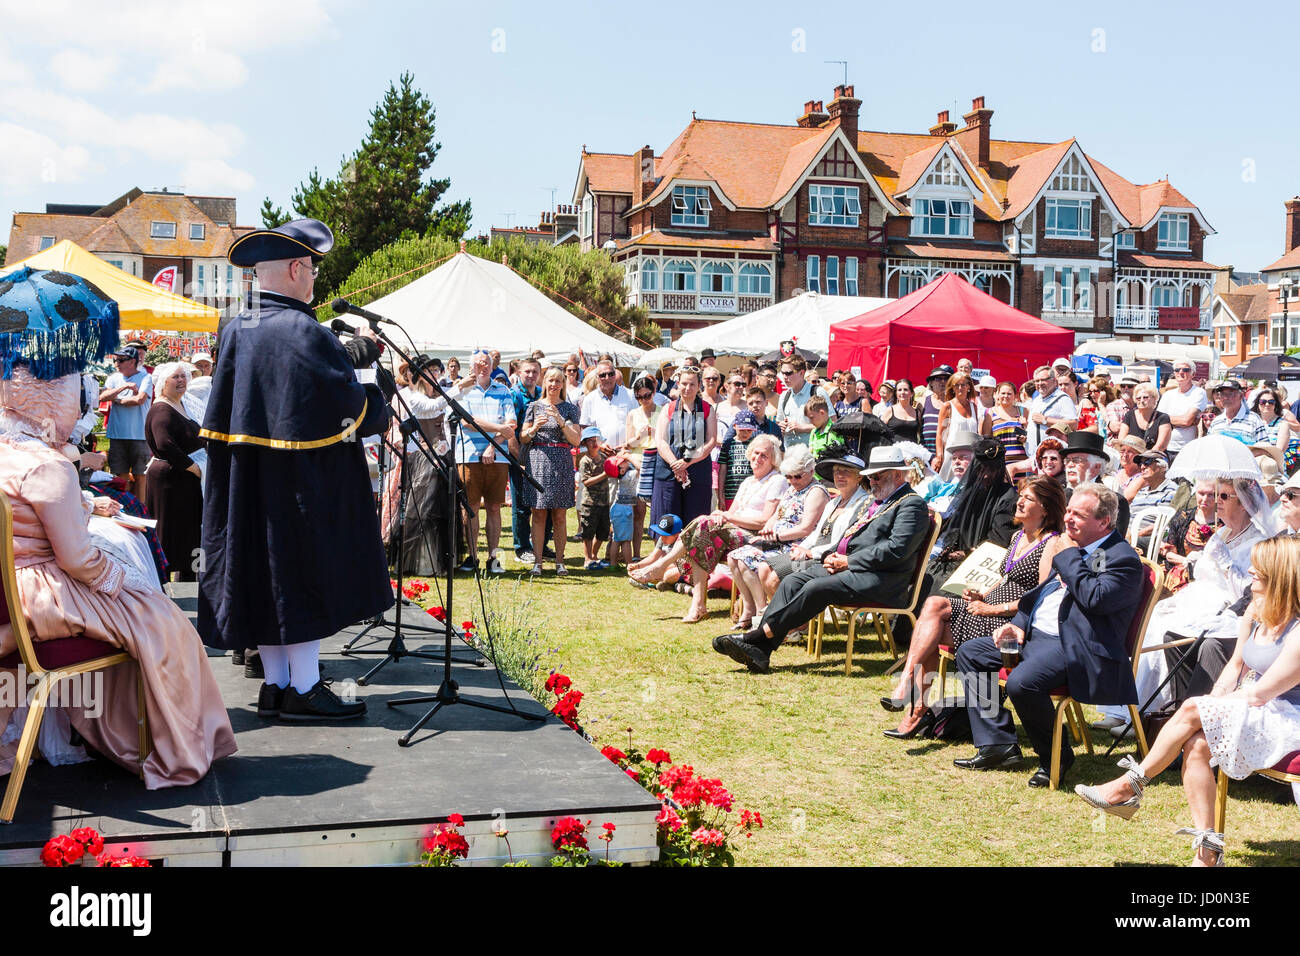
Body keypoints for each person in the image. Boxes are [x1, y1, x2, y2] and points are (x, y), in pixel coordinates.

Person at [0, 364, 237, 784]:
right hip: (43, 595)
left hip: (12, 593)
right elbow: (76, 559)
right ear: (55, 401)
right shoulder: (45, 465)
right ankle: (172, 746)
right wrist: (118, 579)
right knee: (165, 623)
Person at [201, 218, 391, 719]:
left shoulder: (234, 324)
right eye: (310, 270)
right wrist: (380, 393)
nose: (313, 281)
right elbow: (350, 410)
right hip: (299, 485)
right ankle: (304, 689)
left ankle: (277, 686)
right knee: (298, 575)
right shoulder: (303, 331)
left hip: (248, 482)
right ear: (293, 268)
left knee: (263, 578)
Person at [1075, 535, 1300, 866]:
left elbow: (1261, 692)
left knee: (1195, 708)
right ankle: (1208, 854)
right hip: (1251, 706)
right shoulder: (1256, 611)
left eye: (1259, 567)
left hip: (1285, 718)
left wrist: (1209, 708)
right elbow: (1235, 665)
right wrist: (1215, 700)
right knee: (1195, 744)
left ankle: (1127, 787)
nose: (1250, 570)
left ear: (1279, 575)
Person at [953, 483, 1144, 787]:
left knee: (1022, 683)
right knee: (971, 653)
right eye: (1068, 511)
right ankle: (997, 743)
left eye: (1078, 515)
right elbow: (1043, 594)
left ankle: (1055, 755)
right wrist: (1019, 622)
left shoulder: (1119, 559)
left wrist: (1067, 557)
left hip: (1075, 645)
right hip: (1037, 635)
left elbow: (1093, 598)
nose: (1068, 519)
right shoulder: (1074, 546)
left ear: (1104, 522)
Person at [711, 445, 930, 673]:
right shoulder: (876, 502)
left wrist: (849, 561)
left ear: (897, 475)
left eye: (876, 477)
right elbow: (849, 537)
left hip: (882, 579)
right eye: (870, 477)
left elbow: (897, 549)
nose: (872, 482)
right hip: (853, 569)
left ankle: (757, 636)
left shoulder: (911, 504)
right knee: (793, 581)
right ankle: (761, 650)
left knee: (816, 587)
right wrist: (830, 554)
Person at [884, 476, 1067, 738]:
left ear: (1046, 508)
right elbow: (1006, 578)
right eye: (1021, 495)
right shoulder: (1017, 536)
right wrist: (982, 596)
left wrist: (993, 609)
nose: (1020, 501)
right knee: (935, 604)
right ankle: (908, 688)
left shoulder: (1051, 543)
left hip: (1010, 624)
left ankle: (915, 708)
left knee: (932, 633)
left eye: (1028, 498)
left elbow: (1040, 599)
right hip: (988, 609)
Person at [641, 435, 786, 623]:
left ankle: (662, 565)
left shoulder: (777, 481)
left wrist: (726, 517)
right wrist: (719, 515)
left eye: (764, 455)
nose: (757, 458)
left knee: (702, 523)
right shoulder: (748, 482)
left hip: (757, 537)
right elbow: (731, 514)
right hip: (733, 534)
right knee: (702, 538)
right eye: (755, 453)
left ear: (773, 459)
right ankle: (698, 605)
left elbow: (765, 521)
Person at [381, 356, 473, 577]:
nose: (435, 374)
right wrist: (460, 385)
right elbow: (433, 409)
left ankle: (438, 561)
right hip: (424, 458)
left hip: (443, 456)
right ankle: (418, 561)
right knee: (423, 511)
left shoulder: (439, 394)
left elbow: (451, 401)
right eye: (429, 371)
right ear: (420, 376)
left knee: (443, 510)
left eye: (436, 370)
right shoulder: (414, 398)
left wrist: (468, 384)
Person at [727, 447, 830, 627]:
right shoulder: (791, 489)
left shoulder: (816, 492)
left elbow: (805, 529)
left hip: (799, 547)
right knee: (735, 557)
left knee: (749, 559)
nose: (792, 481)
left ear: (811, 471)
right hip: (778, 542)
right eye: (788, 476)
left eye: (797, 476)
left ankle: (764, 615)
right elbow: (777, 515)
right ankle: (754, 608)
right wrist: (765, 532)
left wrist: (775, 537)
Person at [454, 350, 517, 574]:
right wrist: (499, 428)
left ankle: (493, 557)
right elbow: (467, 421)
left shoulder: (503, 390)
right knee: (470, 507)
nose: (483, 366)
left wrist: (493, 444)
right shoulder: (464, 389)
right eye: (479, 363)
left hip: (497, 456)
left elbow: (511, 424)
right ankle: (472, 556)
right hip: (468, 455)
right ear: (471, 367)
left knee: (493, 506)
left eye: (487, 363)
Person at [143, 362, 203, 583]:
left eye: (183, 376)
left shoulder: (180, 405)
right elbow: (165, 444)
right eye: (175, 377)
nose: (181, 381)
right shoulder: (161, 409)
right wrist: (193, 467)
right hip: (170, 480)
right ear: (163, 383)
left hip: (184, 481)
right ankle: (162, 583)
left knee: (187, 531)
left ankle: (188, 579)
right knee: (168, 532)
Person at [519, 367, 582, 575]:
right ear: (544, 383)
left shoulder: (570, 409)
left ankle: (560, 561)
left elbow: (575, 439)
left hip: (561, 461)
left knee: (560, 515)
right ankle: (538, 562)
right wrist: (534, 427)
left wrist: (561, 420)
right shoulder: (533, 407)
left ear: (563, 384)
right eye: (550, 380)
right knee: (538, 513)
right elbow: (523, 437)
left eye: (558, 381)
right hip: (537, 460)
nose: (554, 385)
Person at [652, 367, 717, 527]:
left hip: (698, 471)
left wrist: (687, 462)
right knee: (667, 522)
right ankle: (666, 551)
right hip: (669, 473)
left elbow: (711, 441)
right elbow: (660, 440)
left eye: (692, 384)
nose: (688, 388)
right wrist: (676, 464)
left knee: (695, 522)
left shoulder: (707, 409)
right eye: (684, 384)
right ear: (678, 384)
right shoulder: (668, 408)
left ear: (699, 385)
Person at [99, 345, 154, 501]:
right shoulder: (113, 378)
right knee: (121, 477)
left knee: (140, 476)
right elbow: (103, 397)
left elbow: (139, 399)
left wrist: (116, 400)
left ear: (133, 362)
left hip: (139, 435)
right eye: (116, 359)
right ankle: (125, 509)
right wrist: (123, 387)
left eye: (121, 360)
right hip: (117, 435)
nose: (117, 363)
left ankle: (141, 511)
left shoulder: (146, 377)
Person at [1063, 431, 1130, 536]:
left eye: (1077, 460)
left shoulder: (1116, 502)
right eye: (1067, 460)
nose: (1070, 465)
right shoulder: (1060, 496)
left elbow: (1111, 547)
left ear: (1096, 467)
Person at [510, 357, 544, 564]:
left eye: (534, 372)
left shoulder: (541, 394)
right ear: (519, 373)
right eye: (527, 372)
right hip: (520, 454)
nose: (531, 375)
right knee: (521, 504)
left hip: (542, 456)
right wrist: (518, 460)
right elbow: (510, 431)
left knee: (542, 502)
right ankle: (522, 547)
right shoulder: (514, 395)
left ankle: (541, 544)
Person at [624, 376, 662, 559]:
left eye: (647, 395)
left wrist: (656, 433)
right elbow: (628, 444)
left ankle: (658, 552)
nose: (644, 400)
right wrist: (639, 436)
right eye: (639, 397)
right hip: (638, 461)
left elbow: (668, 440)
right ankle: (636, 554)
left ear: (653, 392)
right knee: (638, 512)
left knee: (658, 511)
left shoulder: (663, 412)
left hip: (658, 460)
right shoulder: (633, 414)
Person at [1157, 479, 1217, 593]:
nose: (1205, 499)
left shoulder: (1224, 523)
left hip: (1209, 577)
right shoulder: (1183, 518)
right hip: (1180, 572)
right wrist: (1188, 563)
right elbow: (1170, 554)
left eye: (1211, 495)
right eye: (1201, 494)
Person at [934, 372, 992, 478]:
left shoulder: (974, 406)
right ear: (952, 388)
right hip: (953, 455)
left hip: (971, 456)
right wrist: (939, 455)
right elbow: (940, 434)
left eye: (963, 384)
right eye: (957, 385)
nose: (960, 388)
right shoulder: (947, 406)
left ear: (969, 387)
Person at [774, 356, 830, 450]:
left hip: (814, 453)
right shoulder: (784, 396)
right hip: (790, 453)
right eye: (782, 373)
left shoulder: (817, 392)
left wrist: (803, 428)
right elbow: (779, 421)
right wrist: (781, 426)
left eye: (788, 373)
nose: (784, 377)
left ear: (801, 372)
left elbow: (831, 423)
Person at [1158, 361, 1208, 463]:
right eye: (1177, 370)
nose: (1180, 372)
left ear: (1193, 374)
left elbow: (1186, 421)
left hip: (1187, 449)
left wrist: (1168, 421)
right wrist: (1181, 421)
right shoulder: (1168, 395)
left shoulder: (1198, 393)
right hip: (1165, 447)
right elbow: (1158, 420)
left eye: (1185, 370)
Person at [577, 426, 611, 570]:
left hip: (604, 501)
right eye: (590, 441)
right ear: (584, 443)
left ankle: (594, 555)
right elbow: (586, 482)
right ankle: (587, 559)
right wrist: (604, 475)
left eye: (596, 440)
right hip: (590, 503)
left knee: (603, 533)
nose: (594, 443)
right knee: (588, 532)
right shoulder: (585, 461)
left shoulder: (603, 457)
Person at [1026, 365, 1076, 459]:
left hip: (1053, 458)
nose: (1039, 383)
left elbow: (1073, 424)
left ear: (1054, 381)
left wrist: (1045, 420)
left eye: (1043, 380)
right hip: (1033, 456)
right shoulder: (1037, 400)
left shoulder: (1063, 399)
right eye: (1037, 381)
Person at [718, 409, 760, 509]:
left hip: (750, 494)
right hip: (730, 494)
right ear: (734, 426)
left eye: (749, 430)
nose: (745, 433)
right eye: (742, 429)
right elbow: (723, 470)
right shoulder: (728, 444)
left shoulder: (755, 444)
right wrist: (720, 495)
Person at [1208, 380, 1269, 447]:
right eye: (1222, 394)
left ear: (1241, 396)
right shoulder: (1216, 422)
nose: (1225, 398)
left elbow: (1265, 448)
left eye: (1230, 394)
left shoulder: (1253, 420)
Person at [1254, 386, 1299, 472]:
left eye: (1271, 402)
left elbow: (1279, 451)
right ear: (1258, 404)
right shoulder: (1253, 421)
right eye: (1263, 402)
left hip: (1273, 468)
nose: (1267, 404)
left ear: (1276, 404)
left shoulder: (1283, 424)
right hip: (1253, 466)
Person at [1119, 382, 1172, 452]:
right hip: (1131, 458)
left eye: (1145, 397)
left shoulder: (1163, 418)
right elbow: (1122, 440)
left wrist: (1145, 458)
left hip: (1154, 458)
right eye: (1138, 398)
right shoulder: (1129, 415)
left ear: (1154, 399)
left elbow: (1161, 446)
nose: (1141, 401)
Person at [608, 454, 639, 568]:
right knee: (626, 541)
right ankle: (629, 565)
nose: (626, 461)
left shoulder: (617, 476)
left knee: (616, 538)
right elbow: (640, 467)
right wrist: (630, 457)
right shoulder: (629, 475)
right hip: (625, 510)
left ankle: (612, 565)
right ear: (620, 470)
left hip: (616, 508)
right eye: (623, 462)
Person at [989, 380, 1028, 473]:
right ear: (997, 395)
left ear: (1015, 395)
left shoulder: (1024, 411)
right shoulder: (990, 413)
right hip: (1000, 463)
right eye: (1003, 393)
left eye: (1009, 394)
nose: (1006, 396)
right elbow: (987, 440)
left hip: (1022, 463)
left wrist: (1025, 431)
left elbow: (1031, 435)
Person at [920, 365, 954, 456]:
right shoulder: (923, 402)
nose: (942, 382)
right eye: (938, 379)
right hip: (926, 453)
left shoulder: (953, 403)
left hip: (948, 452)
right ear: (931, 383)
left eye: (946, 379)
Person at [879, 378, 921, 445]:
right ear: (896, 393)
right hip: (894, 452)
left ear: (912, 393)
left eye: (905, 390)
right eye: (899, 390)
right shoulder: (889, 411)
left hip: (913, 452)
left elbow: (920, 434)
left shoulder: (917, 413)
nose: (902, 392)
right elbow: (879, 432)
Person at [1107, 435, 1148, 502]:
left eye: (1130, 451)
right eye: (1122, 450)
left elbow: (1125, 499)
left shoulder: (1143, 477)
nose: (1125, 455)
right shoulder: (1115, 473)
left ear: (1139, 456)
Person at [1106, 375, 1138, 440]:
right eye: (1123, 386)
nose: (1126, 388)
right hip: (1116, 447)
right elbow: (1116, 428)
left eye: (1130, 386)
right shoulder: (1113, 406)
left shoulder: (1141, 406)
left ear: (1137, 388)